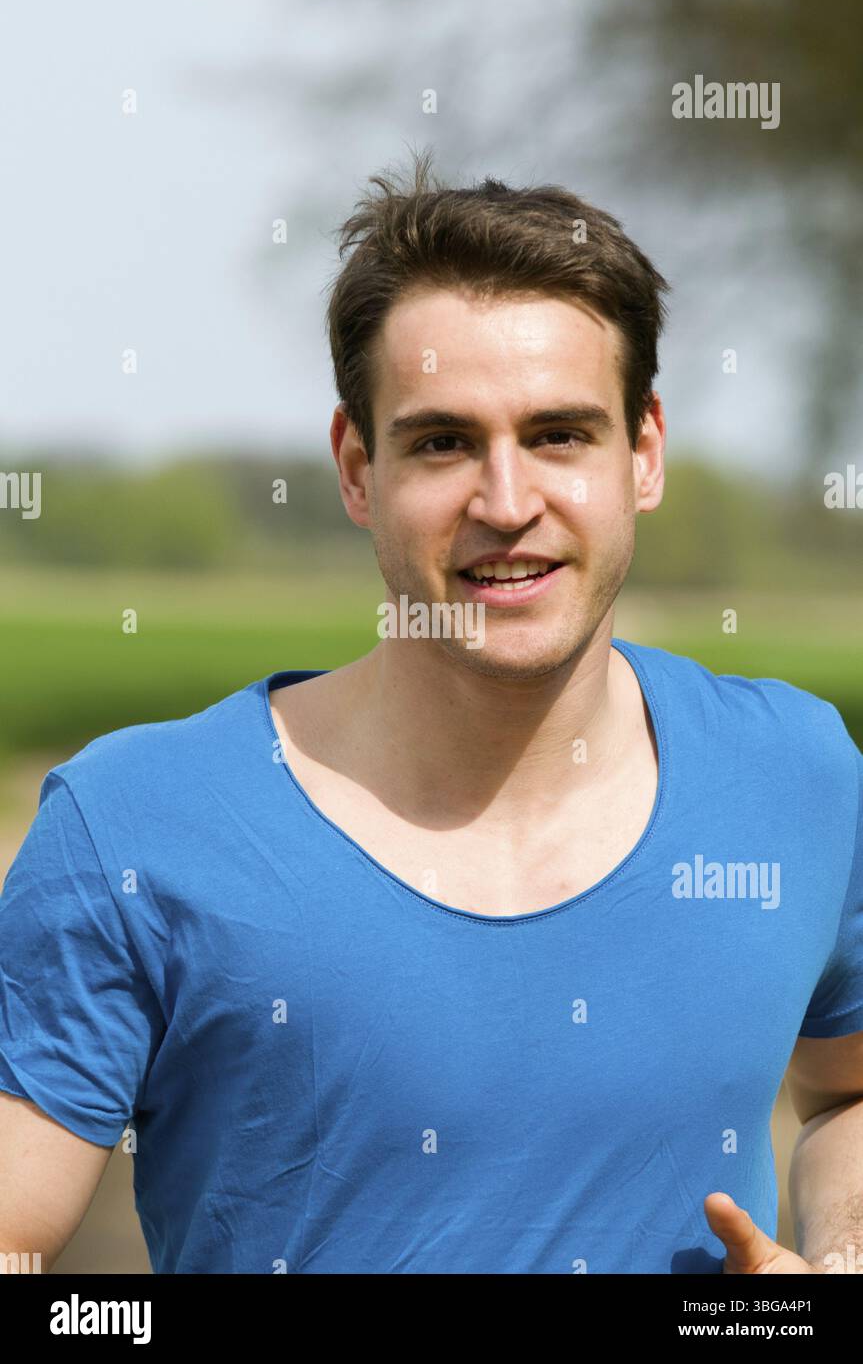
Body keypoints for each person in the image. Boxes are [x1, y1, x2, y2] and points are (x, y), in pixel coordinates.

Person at [1, 150, 861, 1275]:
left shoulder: (795, 773)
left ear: (641, 453)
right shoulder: (131, 827)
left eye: (557, 434)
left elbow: (843, 1092)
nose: (506, 505)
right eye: (442, 441)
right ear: (356, 469)